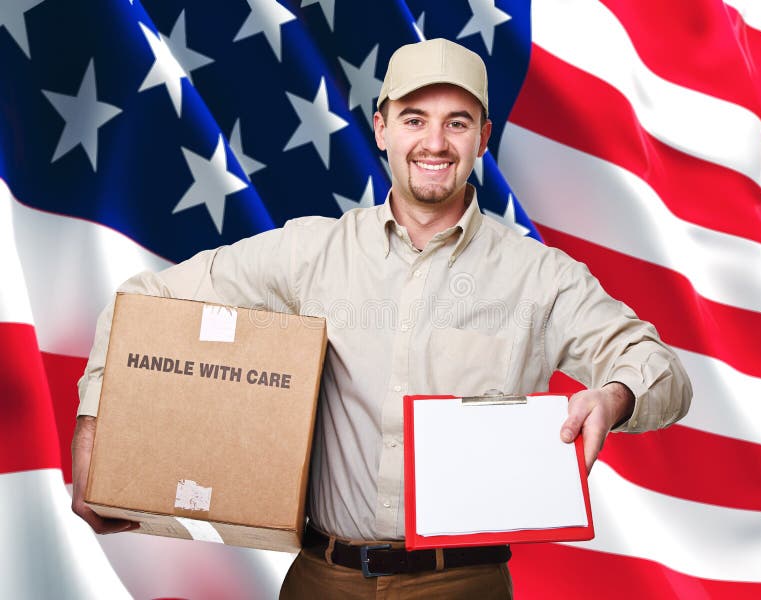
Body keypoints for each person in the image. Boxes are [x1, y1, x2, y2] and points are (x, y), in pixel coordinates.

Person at [72, 38, 692, 598]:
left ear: (483, 136)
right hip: (323, 577)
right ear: (381, 128)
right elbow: (147, 300)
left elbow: (661, 369)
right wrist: (95, 427)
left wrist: (613, 396)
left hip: (463, 582)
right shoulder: (309, 252)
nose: (434, 142)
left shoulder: (541, 275)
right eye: (414, 120)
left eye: (457, 123)